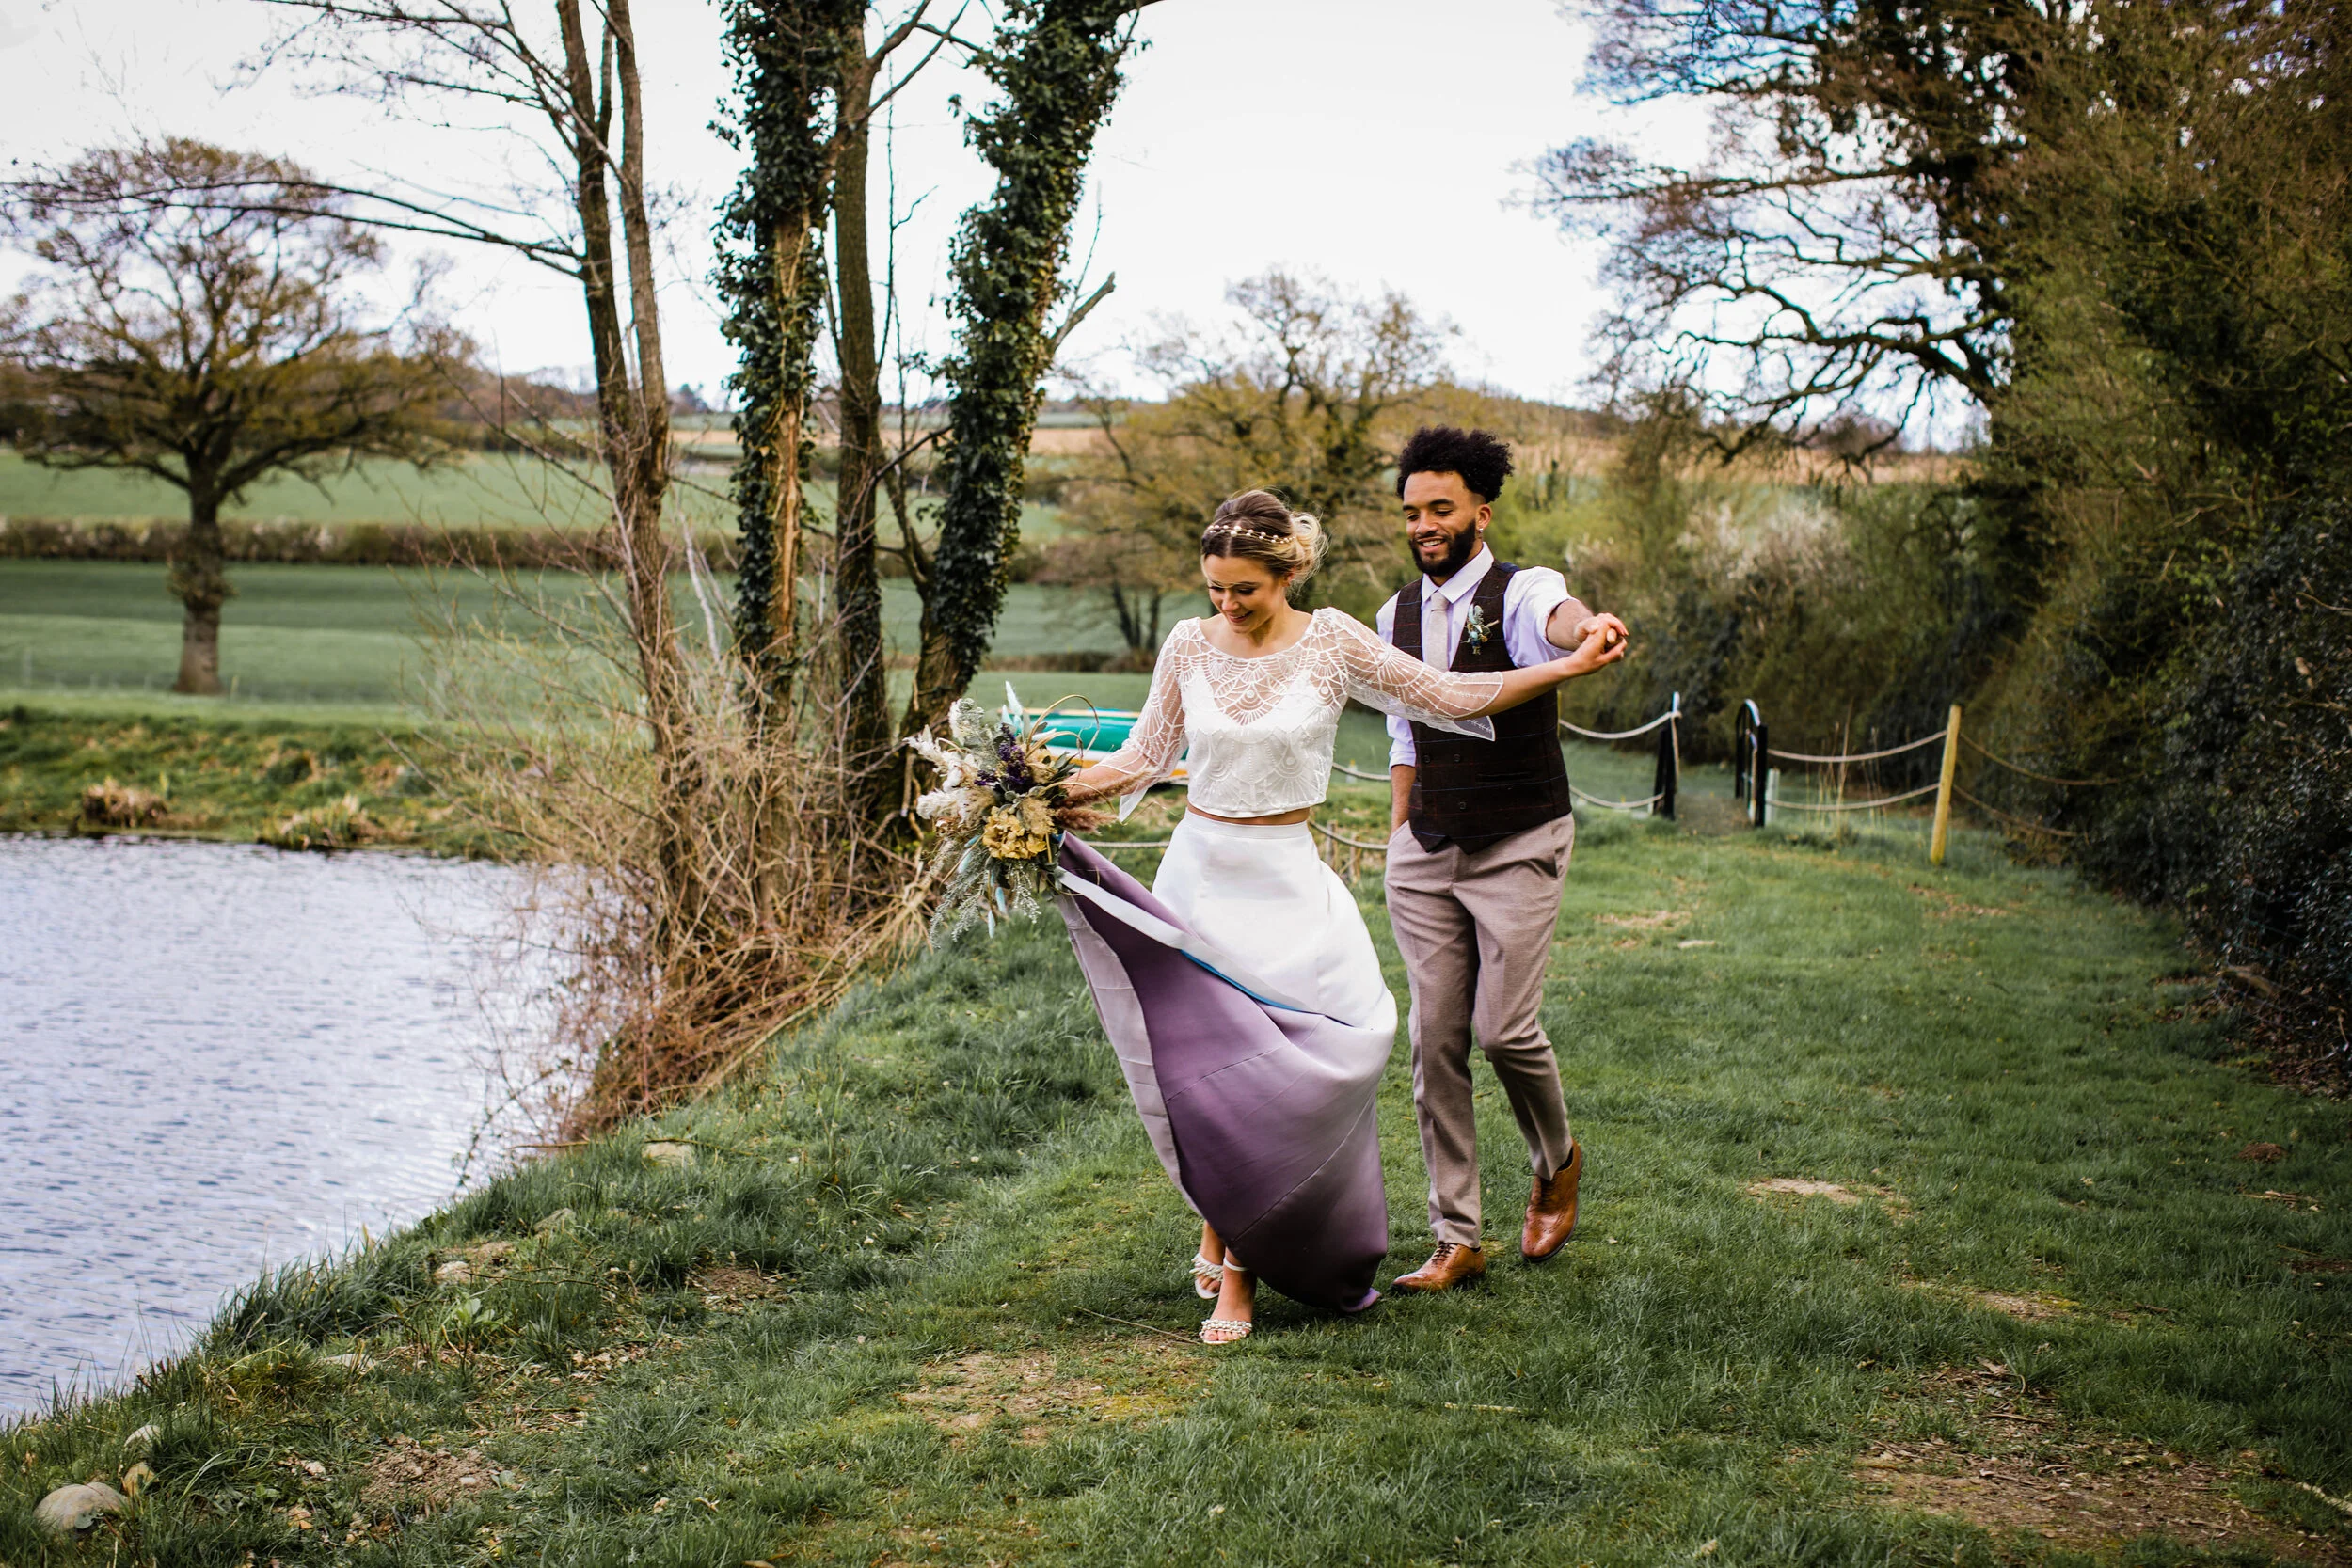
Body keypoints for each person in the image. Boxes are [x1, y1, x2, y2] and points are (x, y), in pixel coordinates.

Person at [1059, 488, 1626, 1343]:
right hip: (1200, 877)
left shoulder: (1332, 641)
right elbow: (1144, 754)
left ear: (1285, 572)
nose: (1226, 604)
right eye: (1214, 588)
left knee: (1290, 1077)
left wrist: (1564, 670)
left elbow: (1447, 694)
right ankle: (1223, 1228)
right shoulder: (1187, 643)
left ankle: (1242, 1272)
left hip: (1286, 883)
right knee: (1207, 1068)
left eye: (1242, 588)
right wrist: (1029, 794)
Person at [1378, 426, 1629, 1294]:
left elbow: (1559, 621)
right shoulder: (1392, 617)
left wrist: (1587, 628)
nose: (1423, 525)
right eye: (1412, 511)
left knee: (1503, 1030)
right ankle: (1458, 1237)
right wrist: (1402, 826)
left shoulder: (1525, 591)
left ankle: (1556, 1160)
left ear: (1480, 511)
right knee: (1433, 1038)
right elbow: (1402, 729)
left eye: (1440, 508)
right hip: (1427, 851)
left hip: (1520, 839)